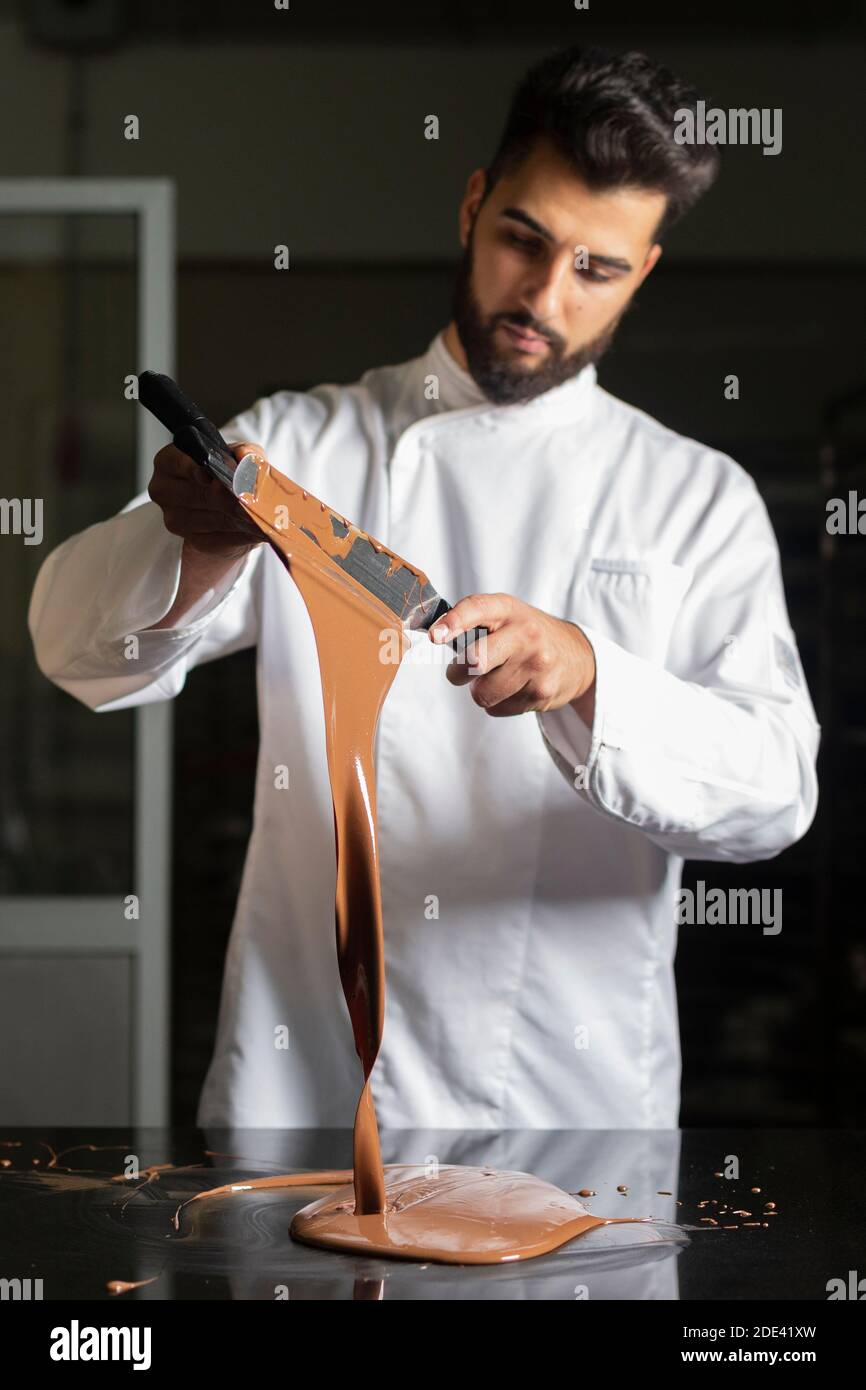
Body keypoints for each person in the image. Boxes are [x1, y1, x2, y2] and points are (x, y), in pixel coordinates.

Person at [29, 45, 819, 1130]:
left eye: (594, 269)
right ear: (470, 205)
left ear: (640, 274)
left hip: (569, 1112)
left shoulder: (692, 496)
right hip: (300, 1099)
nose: (542, 296)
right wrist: (203, 544)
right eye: (521, 240)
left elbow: (774, 791)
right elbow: (70, 644)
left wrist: (593, 676)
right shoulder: (301, 446)